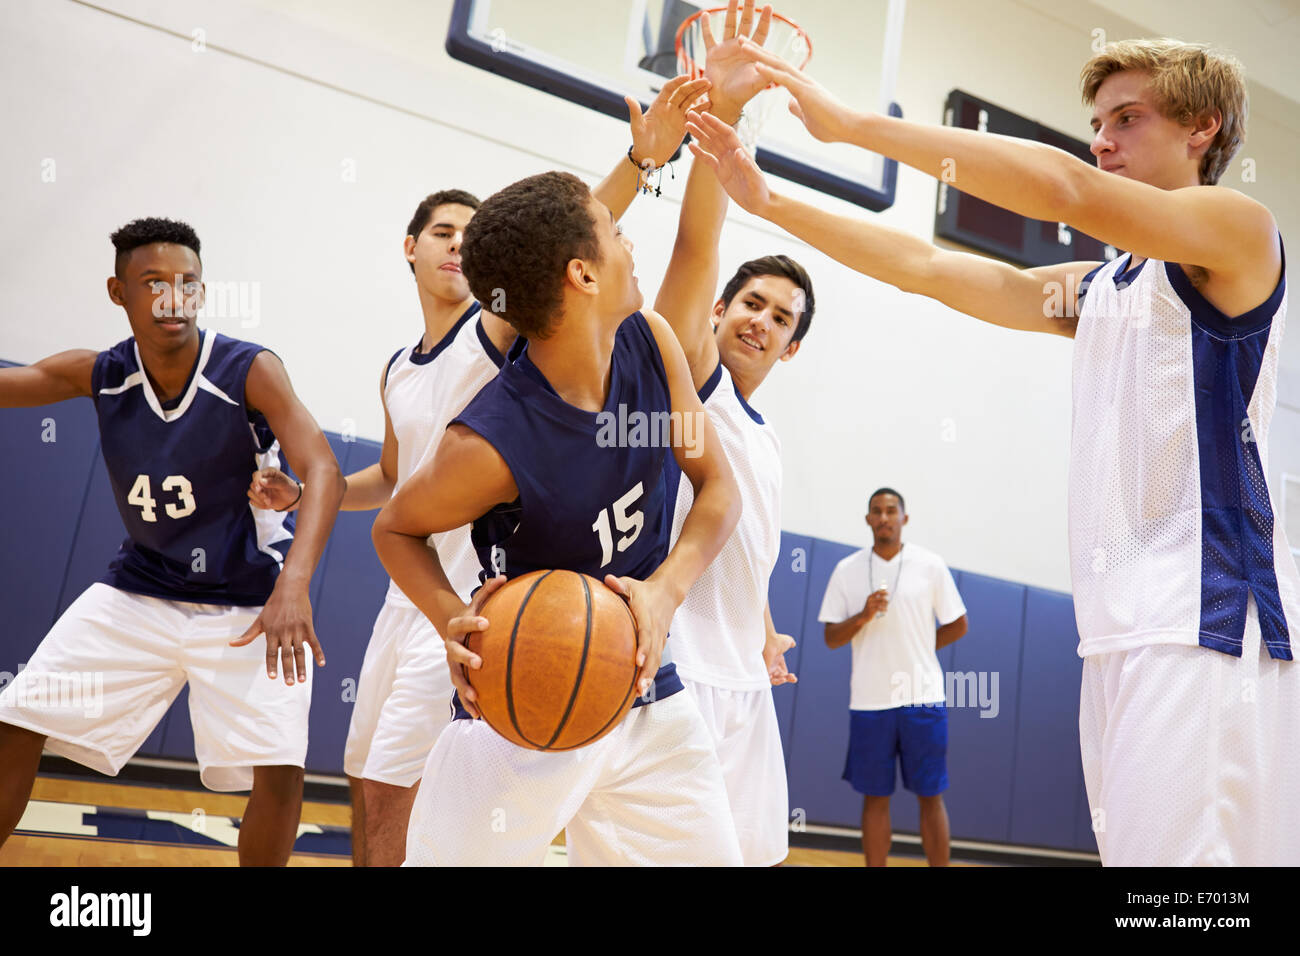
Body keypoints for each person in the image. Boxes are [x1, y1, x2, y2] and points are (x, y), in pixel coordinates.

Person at [688, 37, 1300, 865]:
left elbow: (1065, 186)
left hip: (1206, 625)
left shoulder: (1237, 231)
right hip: (1120, 632)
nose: (1102, 141)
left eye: (1128, 119)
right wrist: (770, 203)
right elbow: (930, 267)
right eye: (1097, 123)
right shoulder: (1105, 286)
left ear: (1203, 129)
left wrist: (857, 126)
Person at [246, 76, 710, 866]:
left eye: (470, 233)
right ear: (410, 246)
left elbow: (569, 246)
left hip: (510, 597)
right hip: (441, 597)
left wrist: (641, 159)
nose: (458, 243)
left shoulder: (494, 332)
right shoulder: (401, 369)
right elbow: (395, 488)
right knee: (372, 783)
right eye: (442, 230)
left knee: (403, 789)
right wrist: (304, 497)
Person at [370, 166, 745, 866]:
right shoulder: (489, 442)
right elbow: (394, 527)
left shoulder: (652, 342)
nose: (630, 244)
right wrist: (451, 615)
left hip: (645, 692)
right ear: (583, 274)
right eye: (615, 233)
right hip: (525, 701)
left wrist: (665, 590)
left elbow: (718, 487)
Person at [0, 217, 344, 866]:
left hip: (249, 601)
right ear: (118, 292)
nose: (172, 298)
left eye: (187, 283)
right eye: (153, 282)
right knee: (15, 718)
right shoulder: (101, 373)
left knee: (279, 766)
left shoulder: (249, 369)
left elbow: (322, 468)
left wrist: (295, 583)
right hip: (140, 590)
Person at [650, 0, 810, 867]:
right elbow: (694, 246)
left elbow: (744, 540)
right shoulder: (695, 380)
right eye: (751, 303)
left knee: (756, 859)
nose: (762, 320)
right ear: (719, 314)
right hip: (678, 671)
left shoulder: (764, 433)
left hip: (746, 677)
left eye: (781, 317)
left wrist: (762, 622)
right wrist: (725, 112)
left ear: (791, 347)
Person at [818, 488, 968, 866]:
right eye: (876, 511)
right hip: (870, 702)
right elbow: (831, 638)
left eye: (890, 511)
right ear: (868, 519)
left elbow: (959, 624)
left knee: (931, 795)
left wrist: (921, 645)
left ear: (904, 518)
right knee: (874, 797)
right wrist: (863, 616)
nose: (883, 517)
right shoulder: (846, 570)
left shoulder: (930, 565)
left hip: (922, 698)